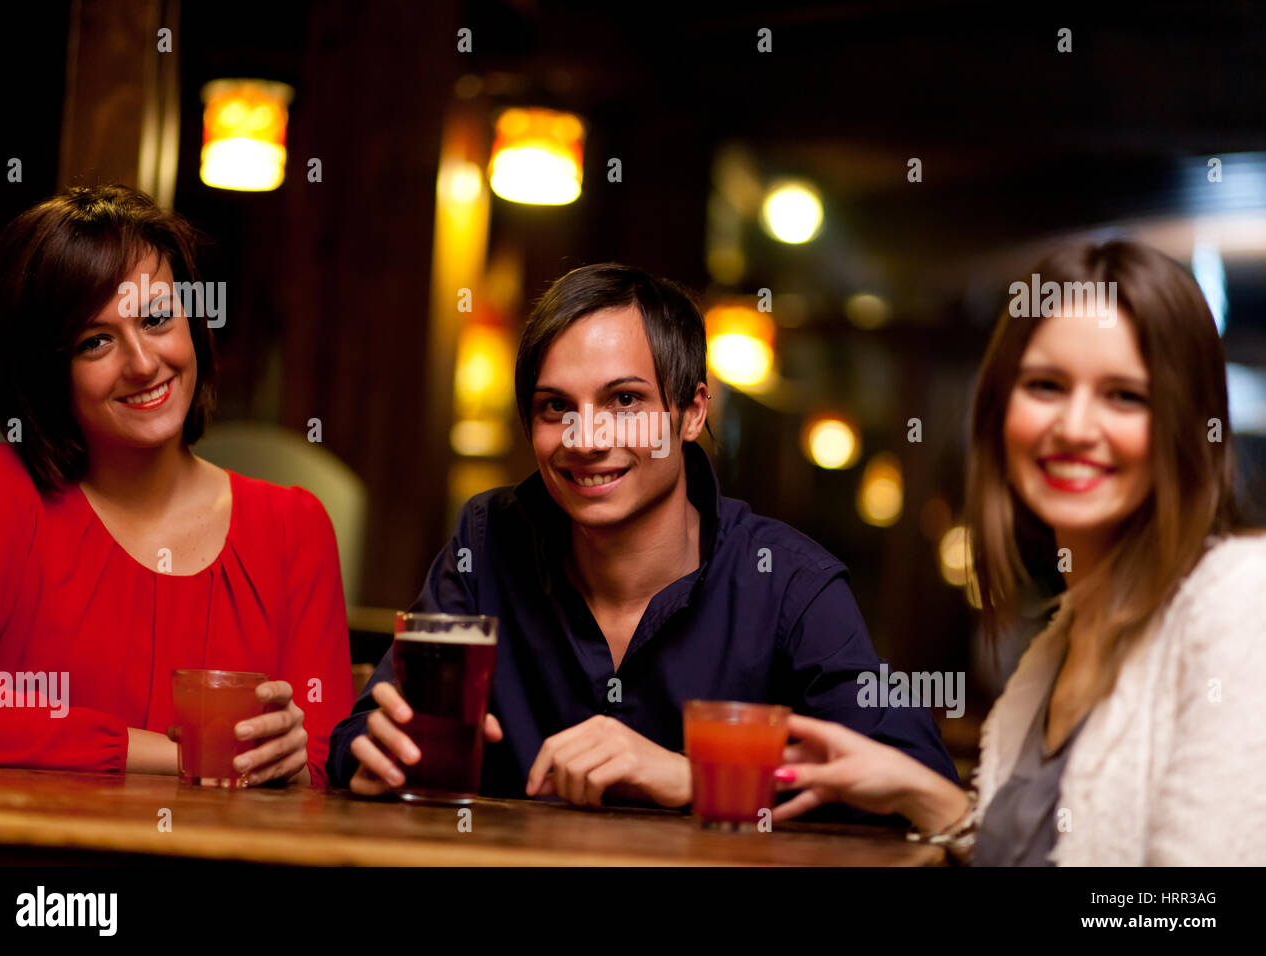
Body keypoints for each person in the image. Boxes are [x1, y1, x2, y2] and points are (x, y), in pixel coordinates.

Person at [330, 262, 957, 816]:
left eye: (624, 400)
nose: (584, 437)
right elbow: (359, 734)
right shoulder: (489, 540)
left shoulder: (787, 581)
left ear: (692, 412)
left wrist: (701, 778)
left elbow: (916, 780)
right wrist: (373, 750)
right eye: (555, 407)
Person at [769, 239, 1266, 864]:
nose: (1076, 428)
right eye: (1046, 385)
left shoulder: (1241, 601)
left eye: (1124, 396)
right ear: (1000, 411)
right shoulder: (1054, 650)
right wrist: (924, 795)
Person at [0, 185, 353, 786]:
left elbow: (328, 760)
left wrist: (295, 763)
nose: (143, 363)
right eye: (95, 341)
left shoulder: (293, 525)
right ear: (46, 371)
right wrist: (178, 754)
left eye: (155, 318)